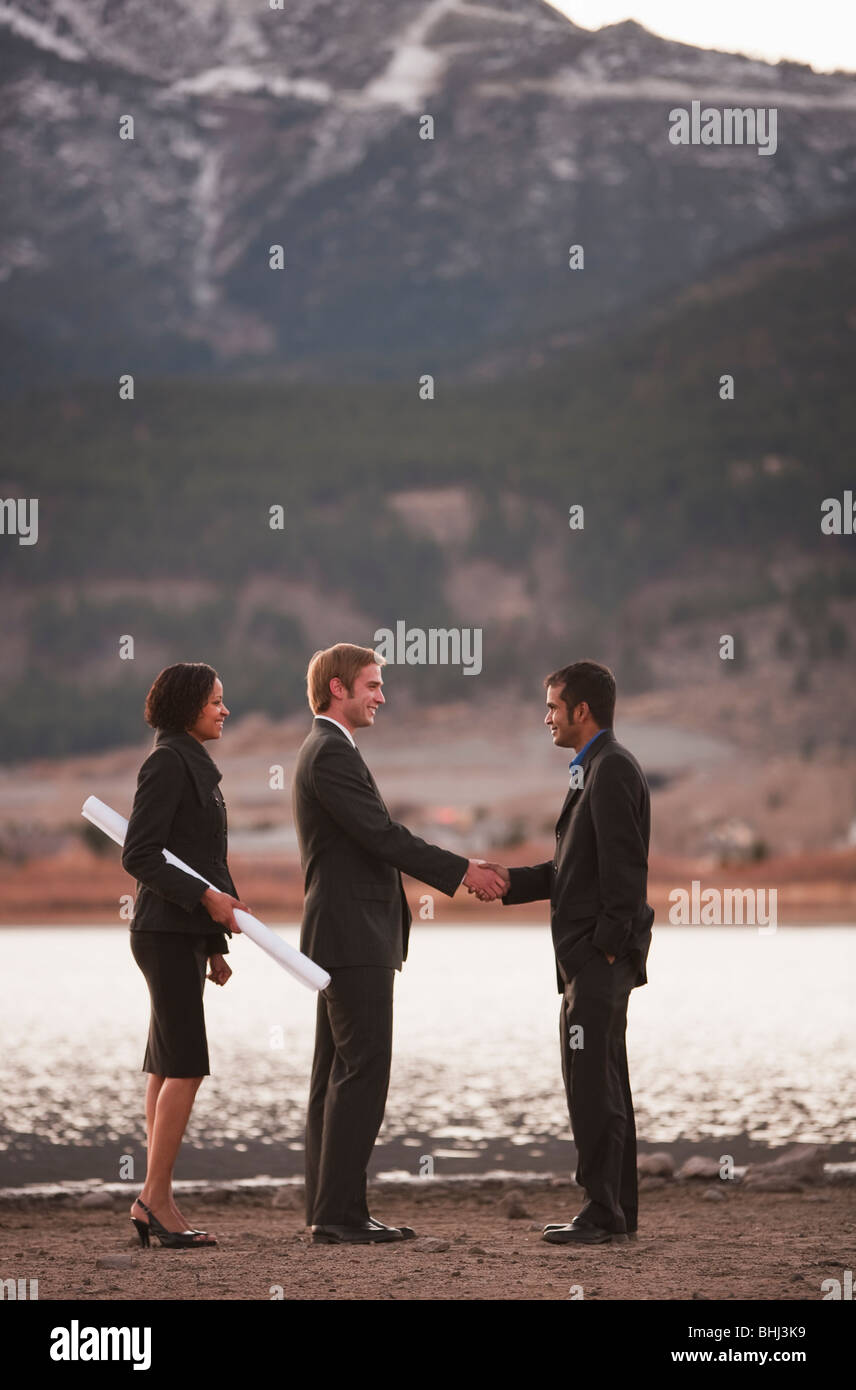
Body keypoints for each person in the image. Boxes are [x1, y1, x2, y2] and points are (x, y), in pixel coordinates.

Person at [293, 643, 506, 1245]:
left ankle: (331, 1209)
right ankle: (339, 1215)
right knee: (362, 1070)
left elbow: (375, 839)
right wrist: (462, 869)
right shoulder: (331, 754)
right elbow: (383, 836)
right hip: (351, 938)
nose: (382, 696)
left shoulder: (329, 750)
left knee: (335, 1073)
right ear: (338, 688)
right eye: (372, 685)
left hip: (342, 936)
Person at [472, 660, 653, 1245]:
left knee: (592, 1085)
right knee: (603, 1080)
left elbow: (625, 876)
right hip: (588, 962)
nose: (545, 717)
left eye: (552, 707)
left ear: (582, 711)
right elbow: (572, 871)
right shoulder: (592, 770)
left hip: (597, 962)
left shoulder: (612, 769)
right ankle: (615, 1210)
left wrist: (600, 953)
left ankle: (602, 1212)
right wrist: (513, 882)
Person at [122, 662, 248, 1249]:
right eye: (217, 701)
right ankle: (154, 1199)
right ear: (188, 705)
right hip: (162, 933)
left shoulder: (187, 760)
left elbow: (198, 856)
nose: (225, 710)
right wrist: (207, 903)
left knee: (166, 1062)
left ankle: (156, 1195)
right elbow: (140, 855)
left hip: (182, 936)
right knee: (188, 1065)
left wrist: (213, 944)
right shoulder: (167, 762)